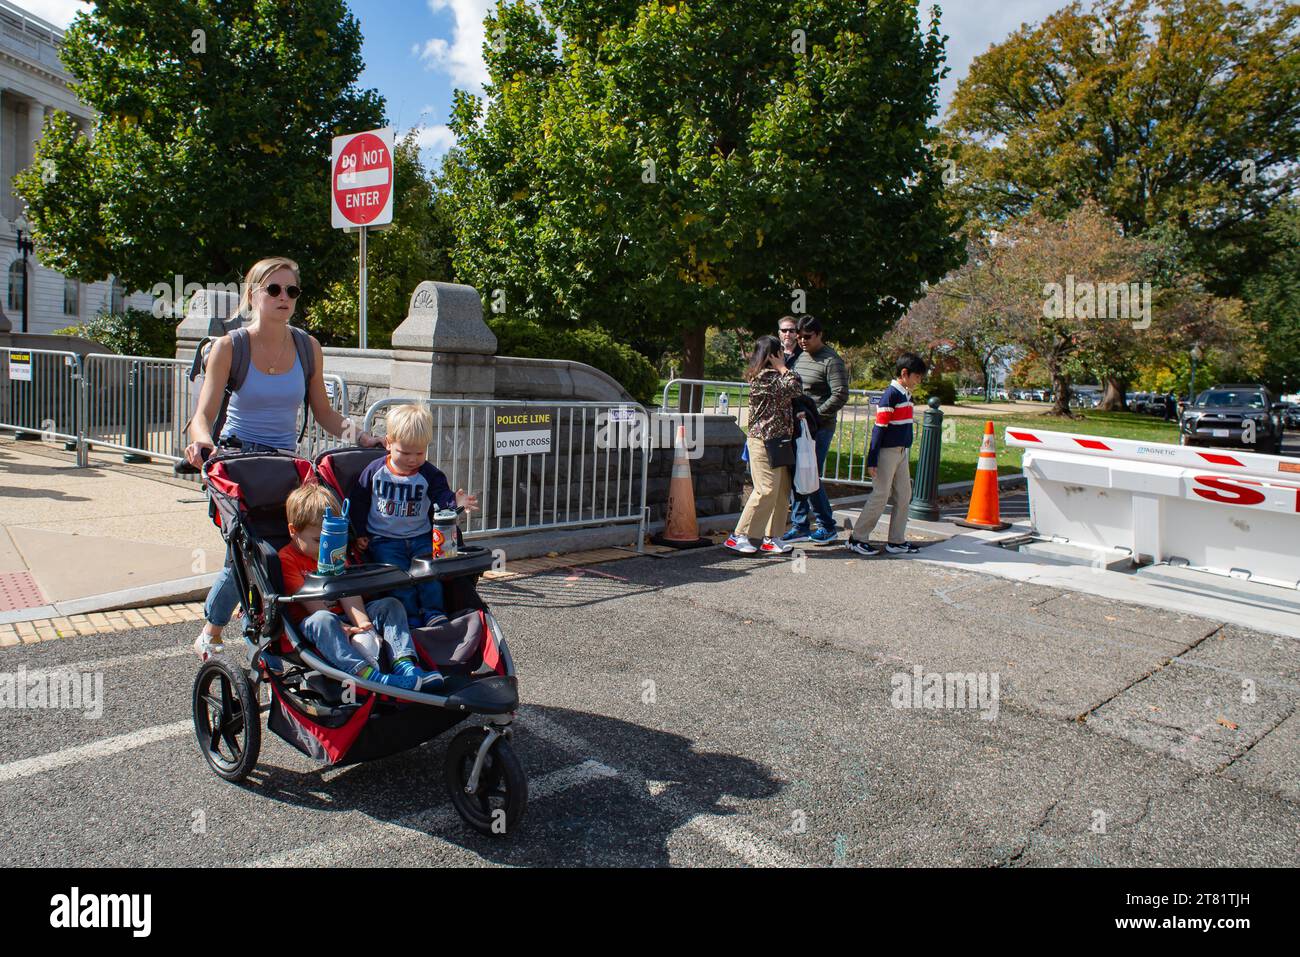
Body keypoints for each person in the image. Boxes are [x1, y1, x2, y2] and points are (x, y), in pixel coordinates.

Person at [186, 256, 383, 660]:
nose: (284, 297)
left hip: (285, 466)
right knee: (244, 552)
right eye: (274, 289)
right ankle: (213, 628)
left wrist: (361, 435)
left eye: (291, 290)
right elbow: (201, 417)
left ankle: (267, 628)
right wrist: (202, 443)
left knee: (279, 550)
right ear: (252, 295)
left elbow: (325, 413)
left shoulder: (307, 348)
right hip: (238, 464)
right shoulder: (230, 347)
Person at [278, 483, 441, 691]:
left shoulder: (334, 553)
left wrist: (363, 622)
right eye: (319, 540)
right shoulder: (287, 559)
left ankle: (404, 664)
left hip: (343, 614)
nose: (324, 547)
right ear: (293, 531)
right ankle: (365, 674)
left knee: (389, 604)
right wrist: (341, 626)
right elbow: (311, 601)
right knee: (323, 619)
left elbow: (348, 591)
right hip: (313, 620)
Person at [348, 403, 479, 628]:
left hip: (421, 536)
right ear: (388, 443)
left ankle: (433, 612)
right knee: (399, 580)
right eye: (405, 452)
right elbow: (358, 502)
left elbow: (441, 494)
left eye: (419, 453)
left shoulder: (428, 473)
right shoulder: (374, 471)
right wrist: (359, 532)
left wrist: (455, 501)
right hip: (384, 539)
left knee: (429, 576)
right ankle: (410, 616)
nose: (412, 459)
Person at [726, 336, 802, 555]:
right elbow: (796, 388)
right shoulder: (764, 378)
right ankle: (738, 535)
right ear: (773, 355)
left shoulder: (772, 376)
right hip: (762, 441)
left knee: (781, 491)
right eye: (780, 353)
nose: (784, 355)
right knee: (766, 489)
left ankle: (772, 537)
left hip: (779, 441)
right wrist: (782, 367)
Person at [846, 353, 928, 556]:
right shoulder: (891, 395)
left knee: (904, 494)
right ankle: (857, 538)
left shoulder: (906, 395)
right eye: (917, 376)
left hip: (901, 452)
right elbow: (879, 429)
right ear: (904, 373)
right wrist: (872, 458)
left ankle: (896, 541)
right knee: (881, 495)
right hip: (886, 453)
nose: (919, 381)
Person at [782, 316, 848, 546]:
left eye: (807, 337)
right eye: (798, 336)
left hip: (818, 428)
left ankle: (827, 526)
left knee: (809, 475)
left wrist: (815, 415)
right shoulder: (799, 357)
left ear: (820, 335)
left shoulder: (832, 360)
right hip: (798, 425)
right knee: (797, 475)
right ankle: (799, 525)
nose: (801, 340)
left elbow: (840, 394)